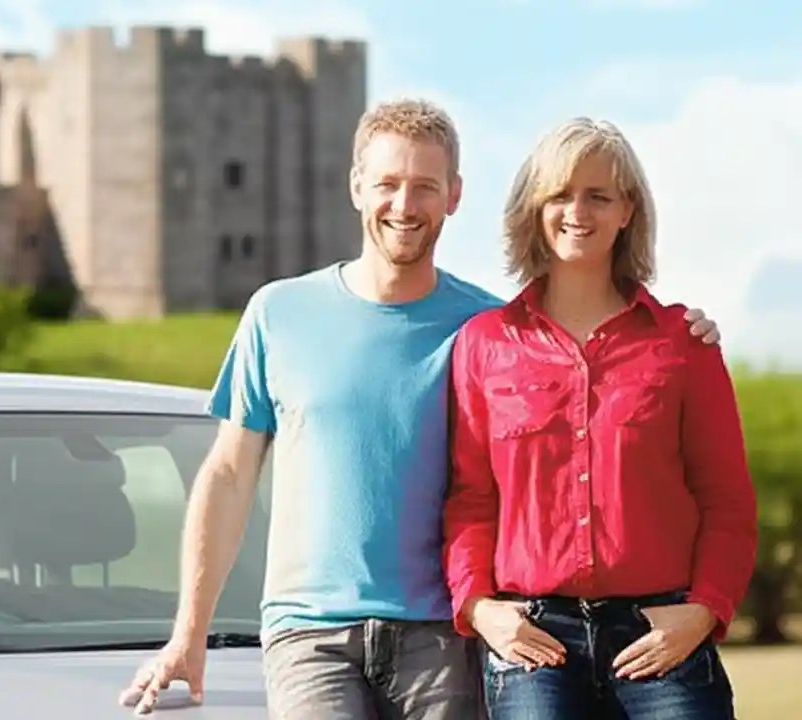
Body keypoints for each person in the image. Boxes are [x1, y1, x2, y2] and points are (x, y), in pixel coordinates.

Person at [117, 99, 721, 719]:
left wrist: (684, 329)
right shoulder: (277, 313)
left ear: (453, 196)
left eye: (424, 187)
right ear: (357, 186)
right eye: (387, 184)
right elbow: (228, 474)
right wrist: (188, 634)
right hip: (309, 633)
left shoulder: (491, 330)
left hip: (440, 634)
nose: (404, 206)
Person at [442, 117, 756, 719]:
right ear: (534, 207)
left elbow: (727, 502)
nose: (576, 211)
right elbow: (471, 499)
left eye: (598, 195)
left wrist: (703, 611)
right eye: (559, 194)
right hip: (533, 645)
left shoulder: (683, 345)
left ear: (627, 211)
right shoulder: (485, 344)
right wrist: (480, 607)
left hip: (661, 639)